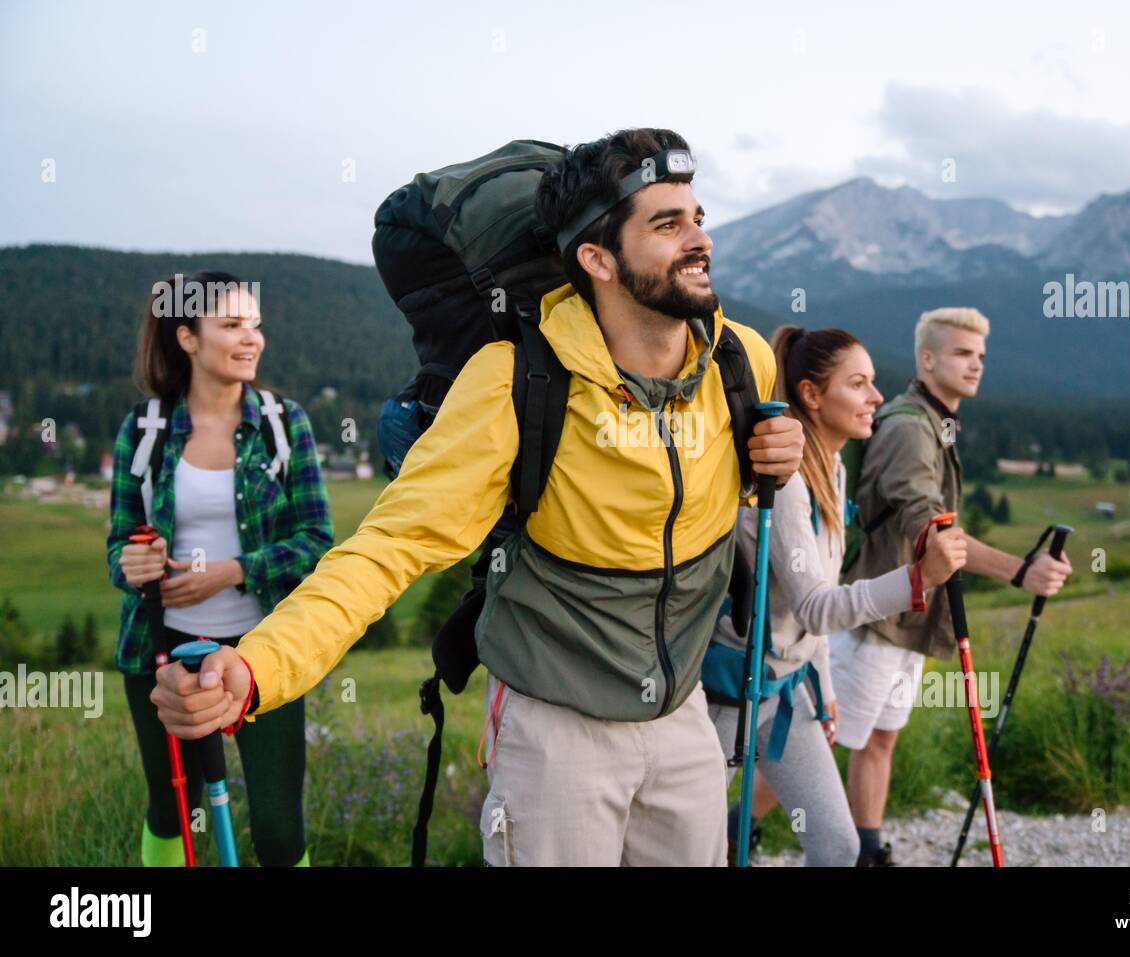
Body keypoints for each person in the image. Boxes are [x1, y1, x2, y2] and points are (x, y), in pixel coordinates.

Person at [150, 129, 805, 866]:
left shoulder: (740, 360)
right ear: (597, 260)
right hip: (561, 738)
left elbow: (710, 481)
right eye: (667, 224)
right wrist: (257, 667)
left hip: (684, 719)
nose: (700, 241)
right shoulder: (515, 381)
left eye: (698, 217)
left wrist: (769, 461)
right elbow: (389, 547)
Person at [709, 325, 966, 866]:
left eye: (873, 383)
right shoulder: (790, 480)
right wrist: (916, 580)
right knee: (695, 848)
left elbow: (813, 598)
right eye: (859, 384)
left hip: (785, 687)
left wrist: (822, 684)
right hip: (728, 690)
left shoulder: (833, 466)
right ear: (811, 395)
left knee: (838, 844)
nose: (876, 396)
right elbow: (819, 606)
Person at [107, 271, 332, 866]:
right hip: (163, 649)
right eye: (231, 324)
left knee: (280, 828)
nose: (250, 338)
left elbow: (317, 543)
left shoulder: (286, 425)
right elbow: (118, 550)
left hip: (264, 649)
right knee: (174, 810)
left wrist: (231, 571)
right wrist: (134, 562)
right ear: (187, 337)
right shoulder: (145, 429)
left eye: (254, 324)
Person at [835, 306, 1072, 866]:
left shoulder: (934, 422)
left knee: (879, 739)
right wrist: (1020, 569)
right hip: (876, 610)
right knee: (823, 742)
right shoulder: (907, 427)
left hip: (908, 617)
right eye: (963, 354)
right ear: (927, 358)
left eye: (982, 356)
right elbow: (931, 525)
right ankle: (733, 832)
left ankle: (867, 849)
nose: (976, 366)